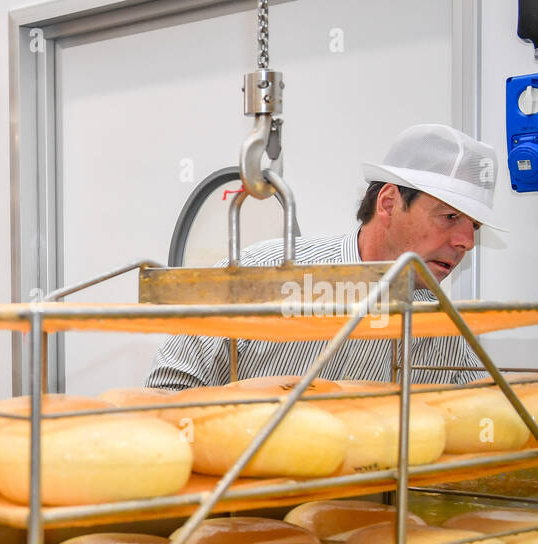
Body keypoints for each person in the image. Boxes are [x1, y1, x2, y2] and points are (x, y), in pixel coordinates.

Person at [145, 124, 507, 390]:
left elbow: (483, 415)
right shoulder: (261, 274)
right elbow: (168, 390)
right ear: (389, 203)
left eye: (473, 226)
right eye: (449, 217)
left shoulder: (441, 326)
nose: (466, 242)